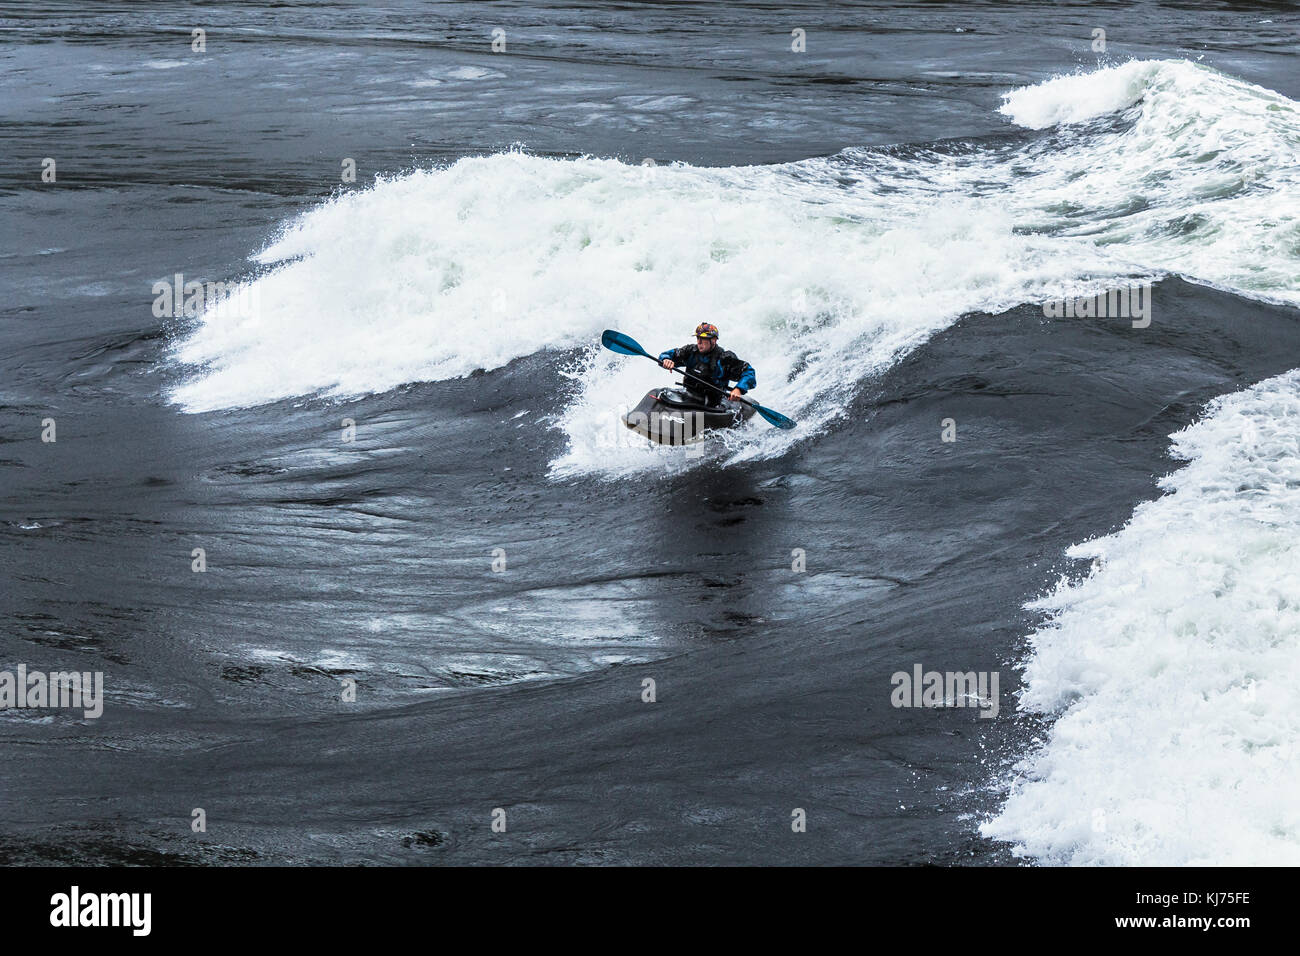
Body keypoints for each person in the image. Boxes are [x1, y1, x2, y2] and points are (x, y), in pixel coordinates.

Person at [658, 323, 756, 406]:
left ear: (713, 340)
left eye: (703, 338)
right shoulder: (690, 351)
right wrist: (666, 360)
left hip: (712, 403)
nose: (699, 342)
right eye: (698, 338)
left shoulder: (725, 359)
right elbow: (666, 355)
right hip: (689, 395)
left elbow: (749, 372)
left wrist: (739, 389)